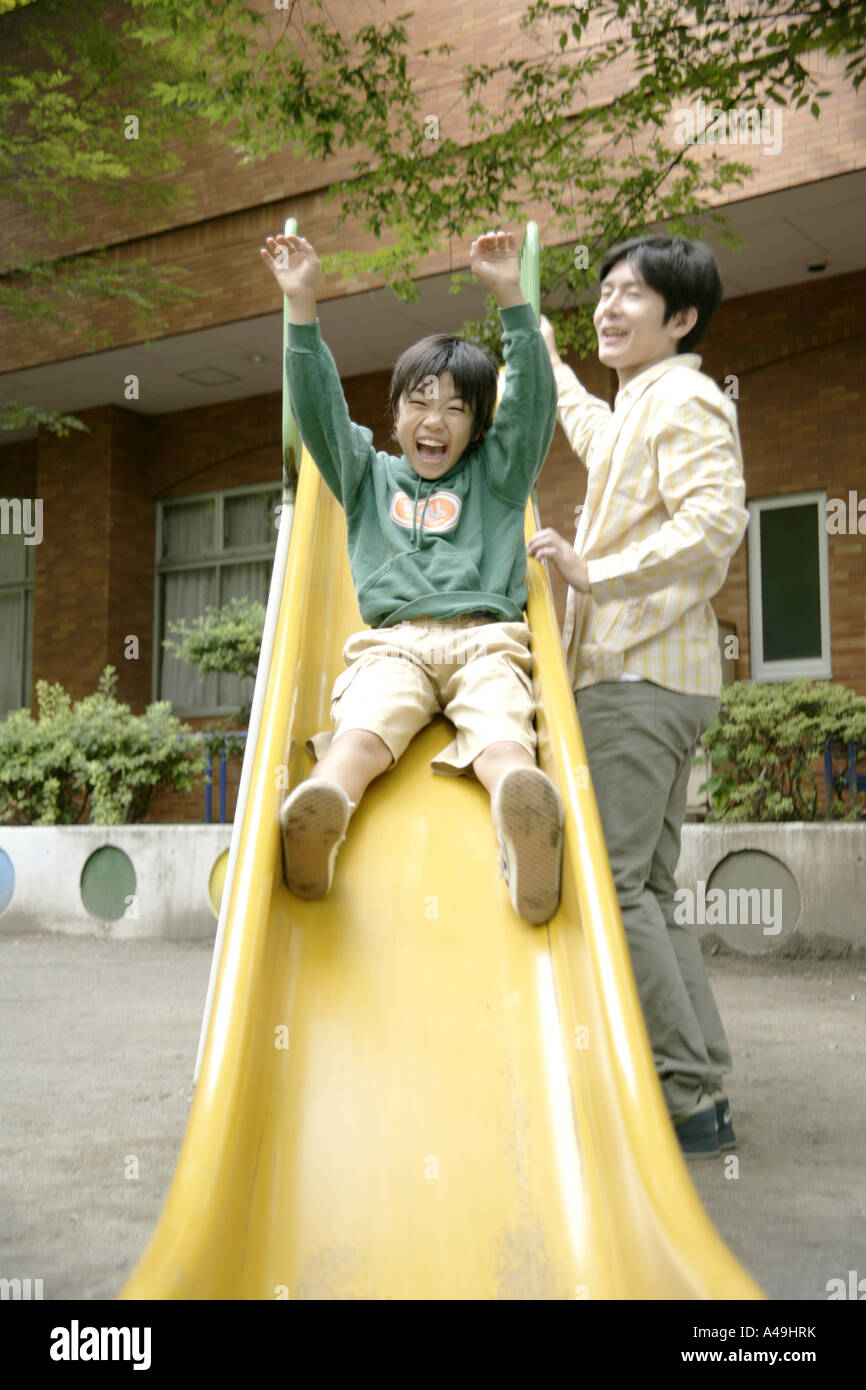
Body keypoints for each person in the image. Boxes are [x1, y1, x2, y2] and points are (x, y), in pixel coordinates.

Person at [260, 228, 563, 924]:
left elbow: (533, 405)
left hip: (485, 638)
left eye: (457, 407)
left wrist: (511, 294)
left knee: (502, 734)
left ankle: (523, 817)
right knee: (364, 730)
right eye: (420, 402)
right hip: (393, 644)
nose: (436, 420)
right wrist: (301, 304)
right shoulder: (366, 475)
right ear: (394, 415)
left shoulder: (497, 475)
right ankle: (324, 807)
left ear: (480, 424)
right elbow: (318, 411)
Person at [527, 235, 749, 1156]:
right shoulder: (639, 404)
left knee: (615, 891)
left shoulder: (688, 399)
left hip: (639, 674)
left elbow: (714, 524)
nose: (609, 309)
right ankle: (703, 1091)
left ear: (682, 319)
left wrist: (594, 572)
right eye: (604, 293)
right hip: (657, 678)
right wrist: (544, 359)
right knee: (648, 888)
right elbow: (590, 431)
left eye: (633, 296)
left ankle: (686, 1097)